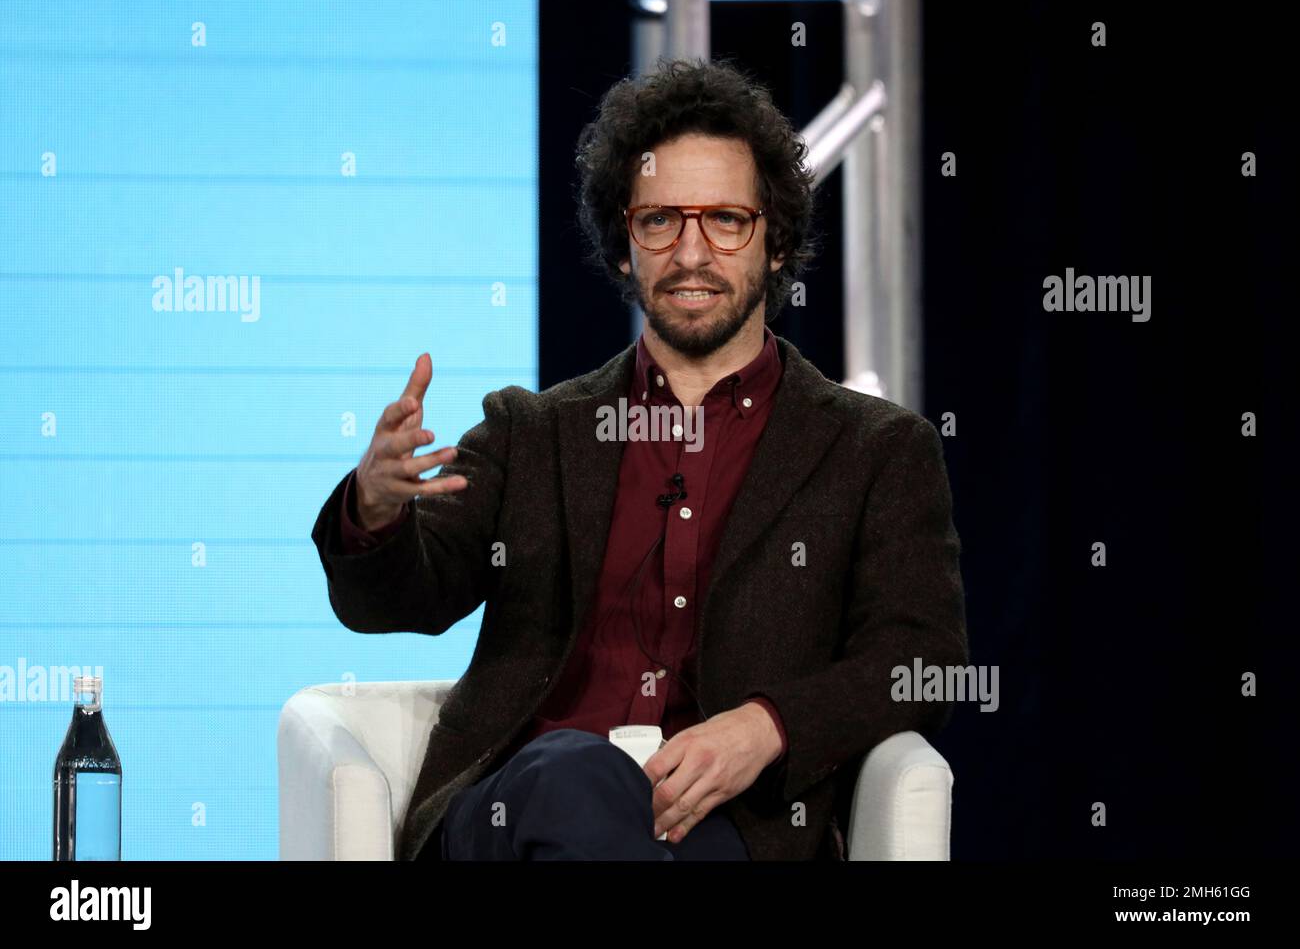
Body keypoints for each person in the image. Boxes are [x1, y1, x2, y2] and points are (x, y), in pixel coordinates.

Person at [310, 58, 968, 861]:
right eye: (660, 221)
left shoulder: (874, 453)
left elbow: (921, 659)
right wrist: (377, 512)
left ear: (775, 241)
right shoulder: (535, 433)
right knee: (566, 776)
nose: (692, 252)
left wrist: (768, 726)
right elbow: (403, 598)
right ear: (625, 247)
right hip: (522, 813)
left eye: (726, 219)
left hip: (729, 831)